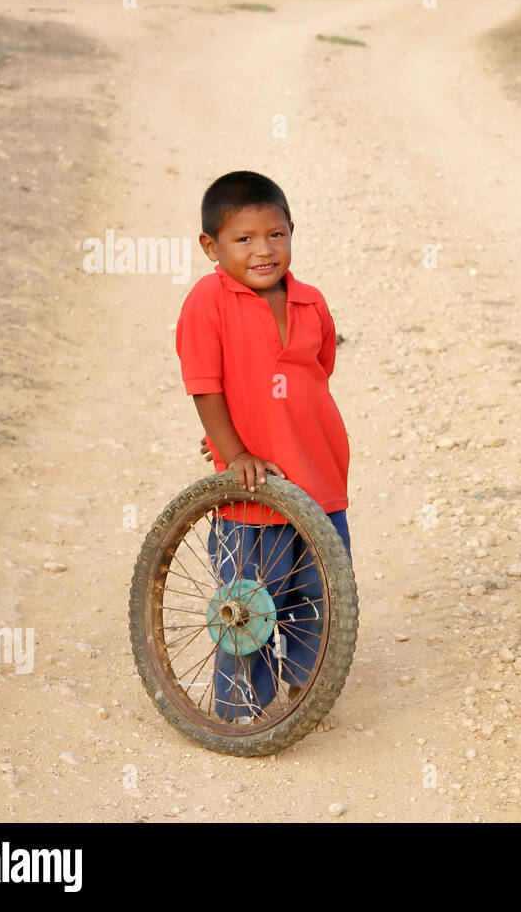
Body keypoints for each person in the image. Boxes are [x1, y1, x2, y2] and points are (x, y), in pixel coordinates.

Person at [175, 170, 351, 722]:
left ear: (292, 231)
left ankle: (306, 692)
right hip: (254, 490)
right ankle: (242, 707)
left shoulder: (310, 302)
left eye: (275, 234)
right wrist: (234, 449)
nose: (263, 250)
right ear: (212, 247)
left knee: (317, 595)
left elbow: (317, 371)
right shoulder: (209, 300)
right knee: (250, 602)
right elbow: (205, 384)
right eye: (243, 239)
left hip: (320, 477)